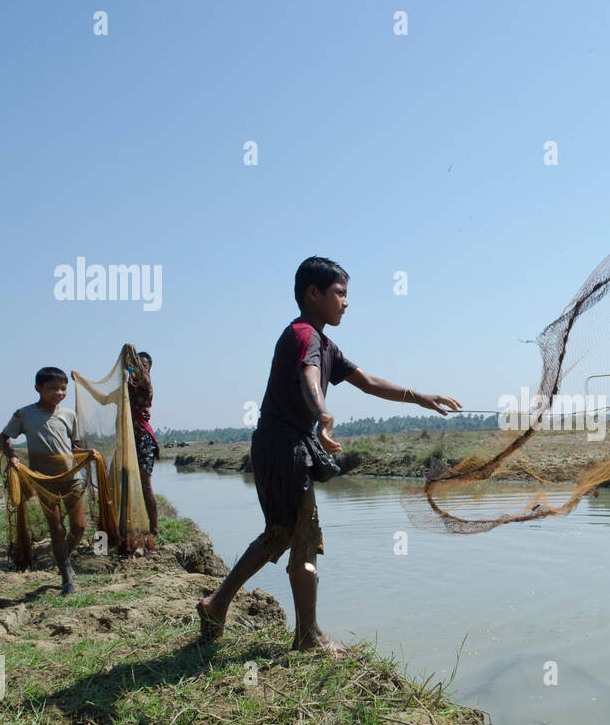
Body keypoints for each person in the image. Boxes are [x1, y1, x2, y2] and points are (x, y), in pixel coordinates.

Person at [196, 257, 462, 653]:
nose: (346, 303)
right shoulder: (304, 335)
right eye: (340, 293)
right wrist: (323, 413)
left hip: (281, 444)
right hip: (285, 445)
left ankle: (220, 606)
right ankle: (304, 636)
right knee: (300, 536)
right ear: (313, 294)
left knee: (286, 532)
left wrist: (419, 397)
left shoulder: (325, 343)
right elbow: (309, 377)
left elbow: (368, 382)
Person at [0, 367, 102, 594]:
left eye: (63, 388)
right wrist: (12, 457)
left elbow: (73, 447)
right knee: (56, 528)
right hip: (44, 479)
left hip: (72, 478)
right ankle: (66, 577)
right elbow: (3, 438)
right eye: (53, 388)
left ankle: (63, 556)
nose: (59, 393)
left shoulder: (69, 415)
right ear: (38, 389)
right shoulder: (24, 415)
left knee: (79, 527)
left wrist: (87, 453)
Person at [127, 350, 160, 534]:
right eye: (136, 364)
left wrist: (137, 364)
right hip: (128, 436)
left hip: (142, 437)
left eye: (144, 365)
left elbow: (144, 378)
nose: (139, 368)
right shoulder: (127, 384)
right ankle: (130, 523)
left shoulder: (145, 383)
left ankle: (154, 528)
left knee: (145, 483)